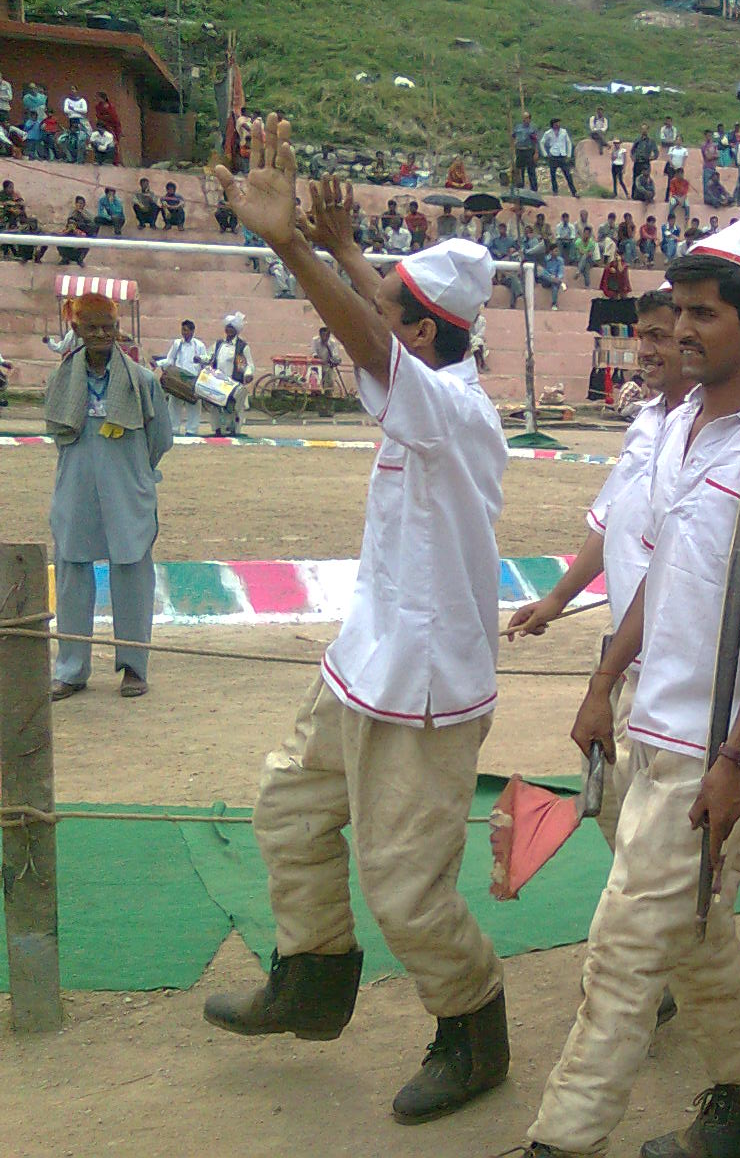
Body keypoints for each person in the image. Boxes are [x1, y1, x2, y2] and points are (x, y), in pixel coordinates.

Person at [500, 213, 740, 1158]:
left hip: (713, 737)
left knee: (623, 948)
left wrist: (736, 756)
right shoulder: (677, 425)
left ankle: (563, 1140)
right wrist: (604, 680)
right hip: (651, 714)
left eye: (705, 315)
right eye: (677, 312)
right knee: (690, 927)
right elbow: (657, 573)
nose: (683, 330)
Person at [202, 124, 512, 1124]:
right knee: (289, 809)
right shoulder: (428, 376)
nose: (366, 315)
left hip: (423, 686)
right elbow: (390, 324)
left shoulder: (453, 412)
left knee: (407, 889)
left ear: (421, 337)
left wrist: (293, 247)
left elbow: (377, 338)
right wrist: (340, 248)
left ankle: (474, 1028)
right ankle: (314, 977)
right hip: (363, 661)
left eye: (387, 308)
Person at [507, 286, 692, 887]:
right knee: (619, 818)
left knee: (669, 854)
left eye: (659, 337)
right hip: (626, 653)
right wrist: (555, 601)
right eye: (642, 337)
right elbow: (610, 524)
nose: (645, 351)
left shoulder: (722, 435)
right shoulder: (648, 423)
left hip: (678, 667)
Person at [43, 293, 172, 701]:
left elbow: (160, 440)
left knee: (132, 570)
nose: (100, 334)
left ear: (118, 329)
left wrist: (132, 472)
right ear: (76, 329)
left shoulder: (143, 382)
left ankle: (134, 667)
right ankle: (71, 670)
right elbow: (58, 435)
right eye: (91, 326)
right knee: (72, 571)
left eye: (107, 327)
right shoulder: (61, 380)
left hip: (127, 489)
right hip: (76, 488)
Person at [207, 313, 253, 437]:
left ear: (236, 330)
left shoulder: (241, 347)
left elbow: (246, 365)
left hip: (233, 382)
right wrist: (200, 359)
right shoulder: (218, 344)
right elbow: (209, 356)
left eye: (232, 328)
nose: (229, 330)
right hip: (218, 381)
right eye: (227, 327)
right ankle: (217, 430)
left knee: (235, 408)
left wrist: (248, 374)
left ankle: (234, 430)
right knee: (216, 407)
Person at [160, 319, 207, 436]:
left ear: (192, 331)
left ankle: (192, 430)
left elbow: (205, 361)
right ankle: (173, 429)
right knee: (174, 404)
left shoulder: (199, 345)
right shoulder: (177, 344)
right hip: (178, 378)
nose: (184, 333)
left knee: (194, 405)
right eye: (183, 330)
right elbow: (170, 359)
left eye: (186, 330)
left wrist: (200, 360)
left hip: (192, 379)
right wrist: (159, 364)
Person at [541, 117, 577, 196]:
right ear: (553, 124)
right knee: (553, 175)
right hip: (553, 155)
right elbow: (542, 142)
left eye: (558, 123)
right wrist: (545, 154)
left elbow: (568, 142)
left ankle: (574, 192)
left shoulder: (564, 131)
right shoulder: (548, 133)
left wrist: (569, 154)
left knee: (568, 174)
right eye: (556, 123)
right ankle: (555, 191)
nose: (558, 124)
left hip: (562, 155)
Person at [513, 111, 540, 192]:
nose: (524, 119)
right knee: (519, 170)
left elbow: (535, 141)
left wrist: (536, 152)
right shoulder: (518, 127)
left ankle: (534, 189)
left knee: (531, 170)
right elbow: (513, 136)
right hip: (519, 150)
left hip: (529, 150)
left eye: (526, 118)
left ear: (529, 119)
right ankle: (519, 188)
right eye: (523, 118)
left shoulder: (532, 128)